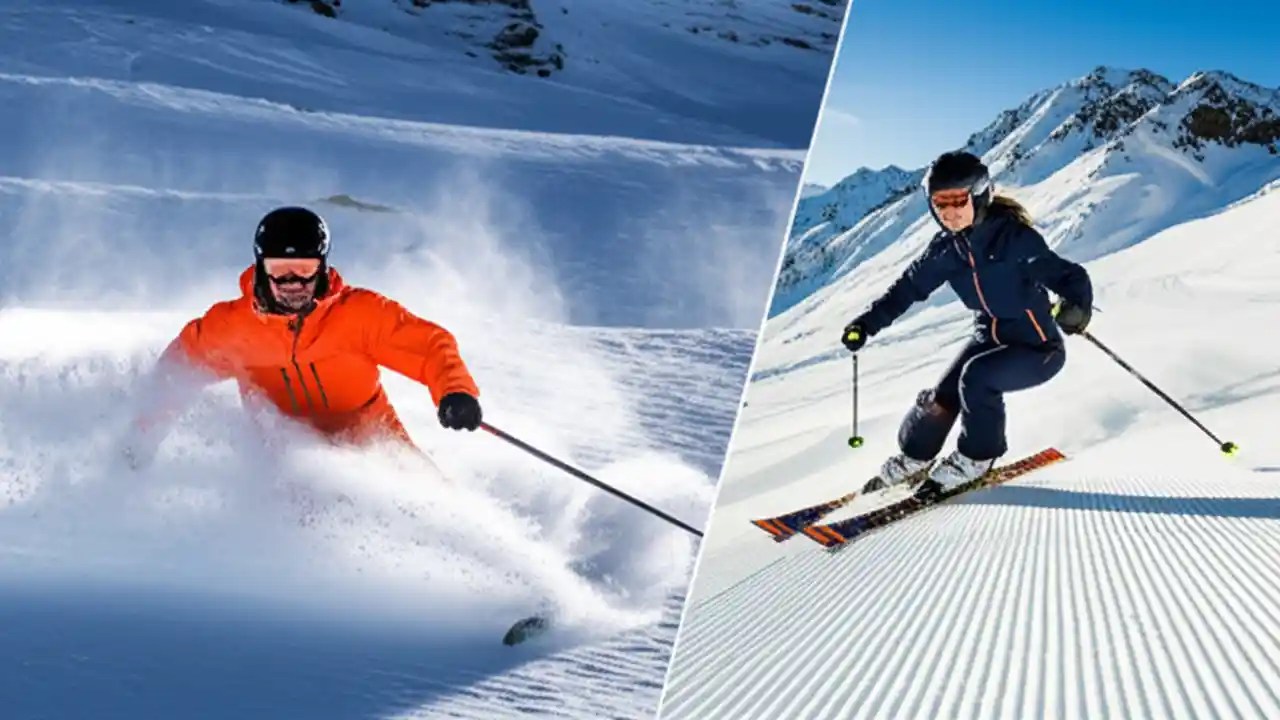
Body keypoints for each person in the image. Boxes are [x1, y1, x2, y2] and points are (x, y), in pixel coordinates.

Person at [122, 206, 483, 469]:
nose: (292, 282)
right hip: (286, 451)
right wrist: (141, 438)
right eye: (279, 270)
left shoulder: (359, 313)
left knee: (429, 504)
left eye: (305, 270)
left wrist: (455, 391)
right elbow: (177, 373)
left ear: (322, 267)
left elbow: (429, 347)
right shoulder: (231, 327)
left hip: (370, 432)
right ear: (260, 267)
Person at [840, 151, 1092, 490]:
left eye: (958, 200)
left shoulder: (1013, 239)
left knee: (977, 378)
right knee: (941, 396)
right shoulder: (947, 250)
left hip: (1037, 348)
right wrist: (865, 324)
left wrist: (1076, 305)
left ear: (979, 194)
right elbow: (907, 289)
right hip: (988, 338)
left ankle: (977, 458)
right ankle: (915, 458)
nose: (949, 212)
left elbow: (1067, 275)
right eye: (940, 203)